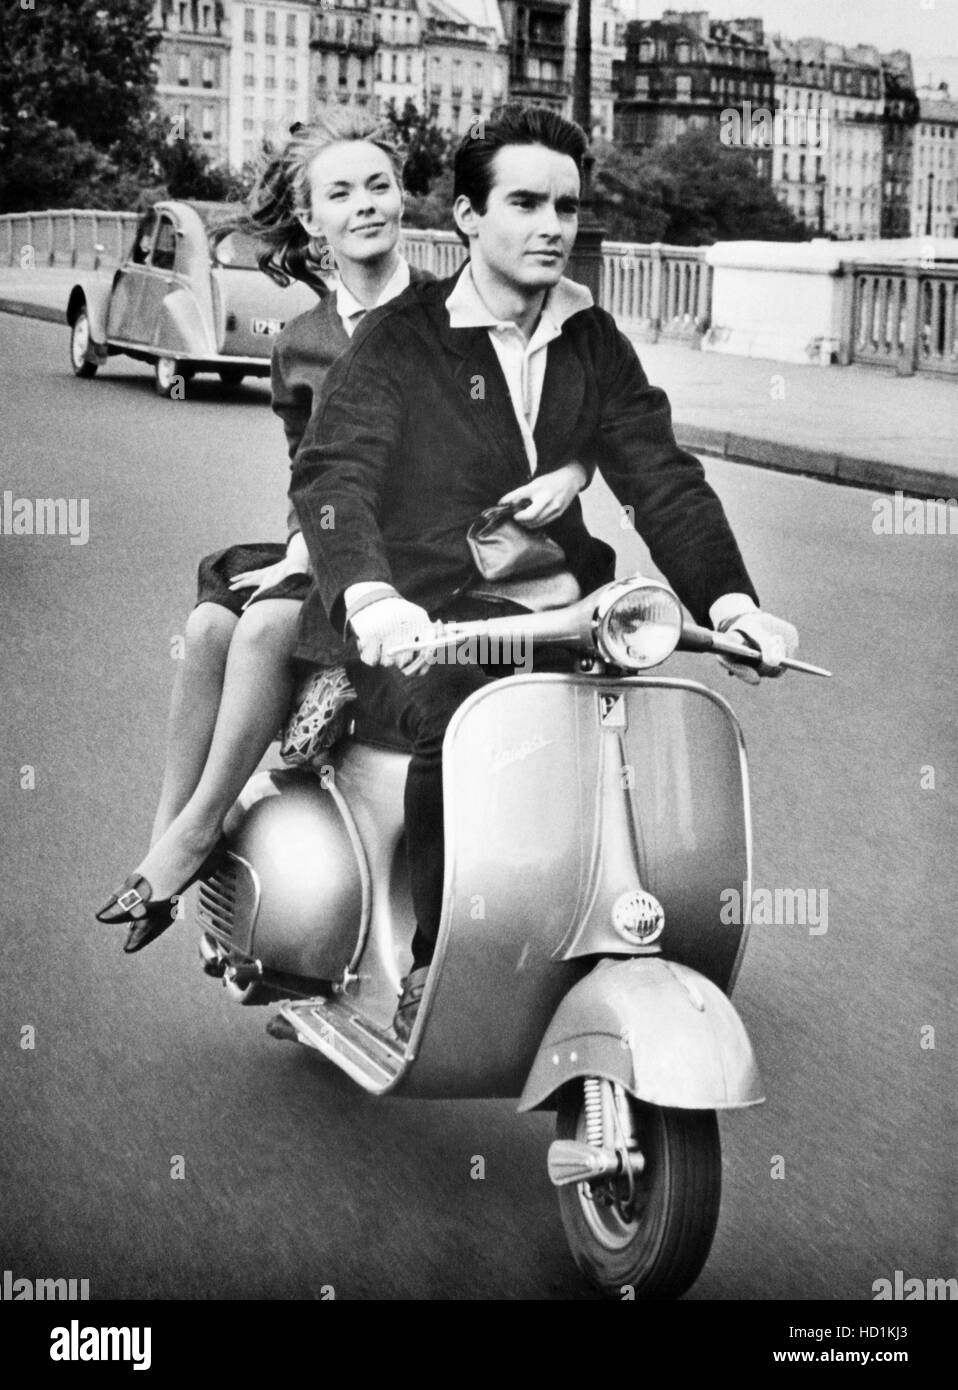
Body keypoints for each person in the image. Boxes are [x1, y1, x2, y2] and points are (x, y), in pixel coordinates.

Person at [288, 104, 800, 1042]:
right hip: (430, 619)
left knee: (627, 731)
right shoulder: (405, 337)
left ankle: (608, 923)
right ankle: (439, 962)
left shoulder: (591, 336)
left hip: (562, 609)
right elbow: (334, 473)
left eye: (567, 206)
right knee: (462, 727)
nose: (553, 225)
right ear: (469, 217)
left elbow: (662, 477)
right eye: (525, 202)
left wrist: (734, 605)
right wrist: (372, 597)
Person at [94, 112, 458, 949]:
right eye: (342, 192)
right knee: (211, 620)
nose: (367, 204)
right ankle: (165, 844)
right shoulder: (301, 342)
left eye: (379, 185)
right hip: (333, 542)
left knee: (261, 624)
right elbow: (310, 475)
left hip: (419, 564)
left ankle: (191, 838)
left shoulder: (450, 317)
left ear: (402, 198)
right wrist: (301, 547)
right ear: (310, 221)